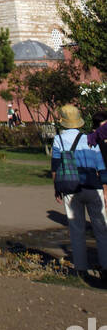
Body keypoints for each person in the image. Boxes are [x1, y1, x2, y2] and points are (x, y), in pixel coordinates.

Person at [51, 104, 107, 281]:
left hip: (70, 188)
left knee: (76, 230)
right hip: (93, 186)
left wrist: (57, 189)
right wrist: (105, 190)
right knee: (101, 230)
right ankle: (105, 267)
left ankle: (81, 269)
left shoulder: (58, 140)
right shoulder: (91, 138)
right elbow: (101, 167)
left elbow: (55, 168)